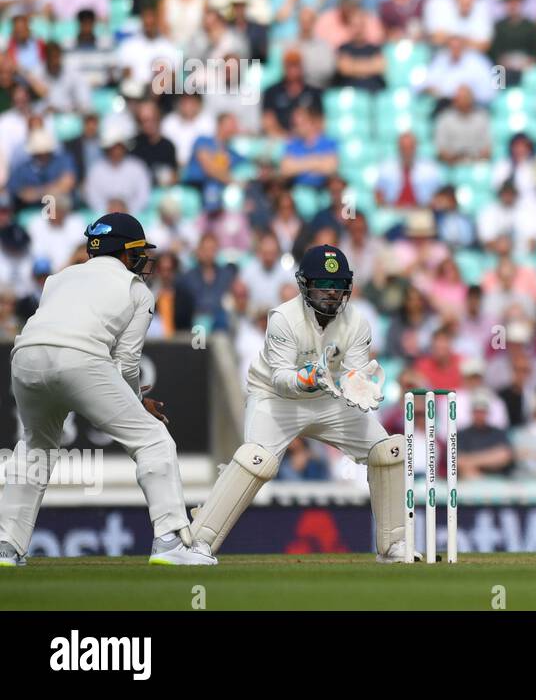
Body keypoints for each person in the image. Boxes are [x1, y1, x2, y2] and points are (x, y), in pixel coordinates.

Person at [0, 212, 213, 566]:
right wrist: (137, 401)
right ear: (125, 253)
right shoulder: (137, 290)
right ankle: (170, 541)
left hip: (24, 357)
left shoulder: (58, 278)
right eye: (138, 252)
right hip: (79, 358)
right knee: (152, 439)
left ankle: (6, 546)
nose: (143, 260)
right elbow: (127, 363)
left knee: (35, 449)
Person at [188, 245, 407, 563]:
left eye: (337, 286)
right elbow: (280, 379)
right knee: (256, 459)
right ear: (305, 285)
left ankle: (393, 546)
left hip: (330, 399)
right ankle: (197, 542)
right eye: (323, 285)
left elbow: (353, 374)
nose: (331, 294)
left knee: (387, 451)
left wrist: (356, 384)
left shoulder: (357, 322)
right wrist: (307, 378)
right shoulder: (283, 319)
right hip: (276, 400)